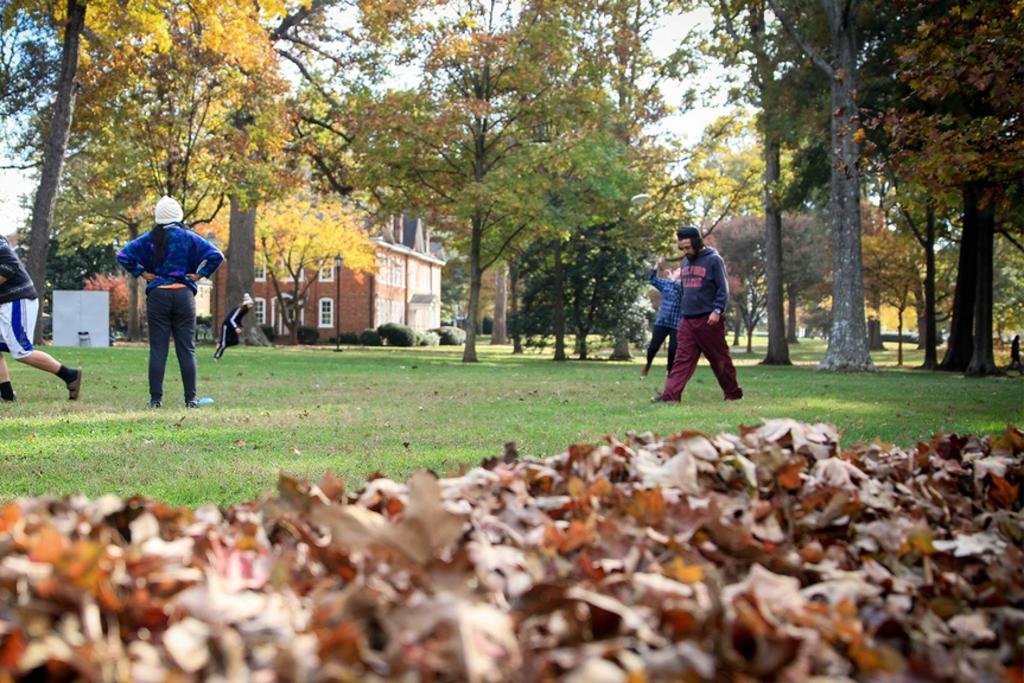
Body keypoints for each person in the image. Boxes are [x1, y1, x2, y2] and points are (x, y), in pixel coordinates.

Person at [117, 196, 223, 409]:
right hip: (184, 295)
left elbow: (123, 255)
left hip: (158, 295)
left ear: (158, 217)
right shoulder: (189, 238)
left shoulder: (149, 239)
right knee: (187, 349)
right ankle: (190, 400)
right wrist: (200, 275)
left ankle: (156, 400)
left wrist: (141, 272)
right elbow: (216, 255)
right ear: (179, 216)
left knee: (158, 349)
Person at [654, 225, 743, 403]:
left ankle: (733, 394)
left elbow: (723, 288)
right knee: (681, 360)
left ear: (697, 243)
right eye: (682, 248)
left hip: (709, 319)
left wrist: (717, 310)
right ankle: (670, 396)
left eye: (688, 247)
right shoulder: (685, 262)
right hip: (687, 320)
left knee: (719, 359)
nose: (685, 251)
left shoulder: (714, 260)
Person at [0, 234, 82, 402]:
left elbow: (10, 265)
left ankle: (70, 375)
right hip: (6, 302)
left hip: (17, 300)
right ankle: (7, 395)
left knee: (22, 352)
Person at [642, 256, 683, 378]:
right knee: (653, 347)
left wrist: (673, 280)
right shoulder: (666, 284)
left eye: (680, 271)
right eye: (677, 271)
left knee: (673, 350)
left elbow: (680, 288)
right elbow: (652, 279)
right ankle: (648, 364)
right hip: (662, 322)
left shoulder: (685, 287)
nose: (678, 272)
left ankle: (669, 372)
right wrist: (657, 264)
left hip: (676, 324)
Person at [214, 293, 254, 360]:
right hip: (227, 325)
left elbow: (238, 319)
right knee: (223, 344)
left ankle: (220, 343)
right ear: (246, 304)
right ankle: (216, 357)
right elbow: (231, 319)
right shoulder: (239, 309)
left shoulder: (245, 310)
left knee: (235, 341)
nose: (251, 306)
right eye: (250, 304)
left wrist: (239, 326)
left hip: (232, 326)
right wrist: (236, 327)